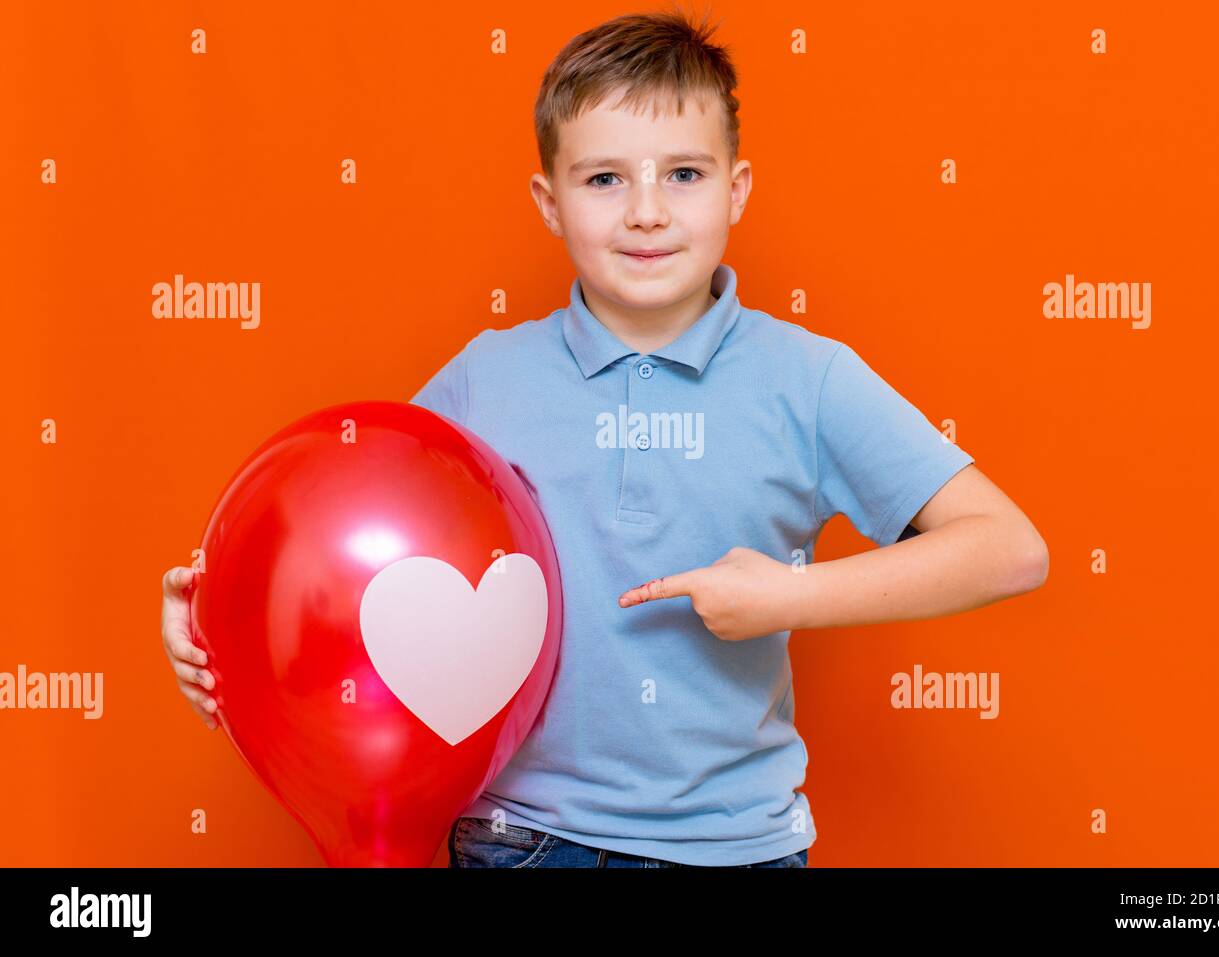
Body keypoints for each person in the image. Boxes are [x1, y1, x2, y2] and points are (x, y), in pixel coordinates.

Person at [161, 8, 1048, 868]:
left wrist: (788, 596)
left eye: (685, 175)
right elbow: (352, 554)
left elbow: (1009, 550)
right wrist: (210, 628)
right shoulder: (484, 379)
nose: (648, 213)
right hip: (519, 841)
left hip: (734, 850)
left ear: (737, 188)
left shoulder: (807, 379)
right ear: (550, 202)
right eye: (605, 179)